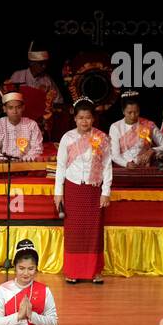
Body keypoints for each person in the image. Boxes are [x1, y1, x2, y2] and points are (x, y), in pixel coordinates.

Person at [54, 97, 113, 284]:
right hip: (73, 189)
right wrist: (58, 192)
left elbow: (107, 166)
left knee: (94, 232)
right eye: (80, 118)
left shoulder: (101, 138)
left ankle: (95, 271)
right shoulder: (67, 138)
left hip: (94, 190)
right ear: (75, 118)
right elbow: (61, 166)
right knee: (74, 233)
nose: (84, 121)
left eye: (87, 118)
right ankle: (73, 271)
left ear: (93, 118)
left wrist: (106, 191)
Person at [108, 91, 163, 167]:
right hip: (123, 169)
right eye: (129, 112)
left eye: (136, 112)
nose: (133, 116)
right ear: (123, 111)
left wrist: (153, 150)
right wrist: (126, 164)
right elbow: (114, 155)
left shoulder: (148, 124)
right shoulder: (115, 127)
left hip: (145, 168)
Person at [0, 89, 43, 159]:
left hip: (25, 164)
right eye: (10, 108)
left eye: (18, 107)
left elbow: (37, 148)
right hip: (3, 165)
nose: (15, 111)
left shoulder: (31, 125)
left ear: (23, 108)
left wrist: (26, 159)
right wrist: (5, 160)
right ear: (4, 109)